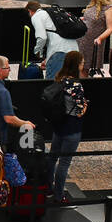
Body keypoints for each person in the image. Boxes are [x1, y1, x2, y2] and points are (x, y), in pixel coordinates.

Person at [46, 52, 88, 203]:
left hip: (58, 124)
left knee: (52, 157)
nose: (83, 64)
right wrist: (85, 106)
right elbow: (79, 110)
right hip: (72, 127)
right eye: (82, 62)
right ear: (76, 65)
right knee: (64, 163)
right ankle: (59, 196)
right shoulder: (76, 85)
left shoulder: (59, 78)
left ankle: (48, 189)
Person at [79, 0, 112, 77]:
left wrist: (100, 38)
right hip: (81, 40)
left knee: (86, 67)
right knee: (79, 66)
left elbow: (111, 28)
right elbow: (90, 18)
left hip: (93, 42)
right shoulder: (92, 4)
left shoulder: (109, 9)